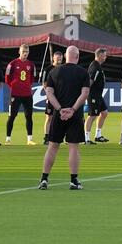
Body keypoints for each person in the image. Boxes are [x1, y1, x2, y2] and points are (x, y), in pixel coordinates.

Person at [38, 45, 89, 190]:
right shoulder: (83, 72)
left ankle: (44, 179)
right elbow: (84, 93)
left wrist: (60, 109)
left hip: (58, 114)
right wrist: (72, 109)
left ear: (66, 56)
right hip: (75, 114)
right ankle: (73, 180)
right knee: (73, 147)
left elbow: (48, 93)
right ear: (77, 56)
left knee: (53, 146)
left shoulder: (54, 71)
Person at [4, 44, 36, 145]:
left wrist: (26, 86)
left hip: (27, 94)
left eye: (27, 52)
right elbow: (7, 78)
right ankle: (8, 139)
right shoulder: (12, 63)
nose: (25, 54)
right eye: (23, 52)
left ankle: (29, 139)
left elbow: (32, 78)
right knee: (12, 116)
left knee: (29, 116)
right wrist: (14, 86)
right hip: (15, 94)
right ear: (19, 52)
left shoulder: (31, 64)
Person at [84, 48, 110, 144]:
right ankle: (86, 138)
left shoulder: (97, 66)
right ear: (99, 55)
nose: (105, 57)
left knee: (104, 113)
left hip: (98, 95)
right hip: (93, 95)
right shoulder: (95, 66)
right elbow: (90, 81)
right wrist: (86, 93)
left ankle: (98, 135)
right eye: (104, 55)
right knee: (92, 115)